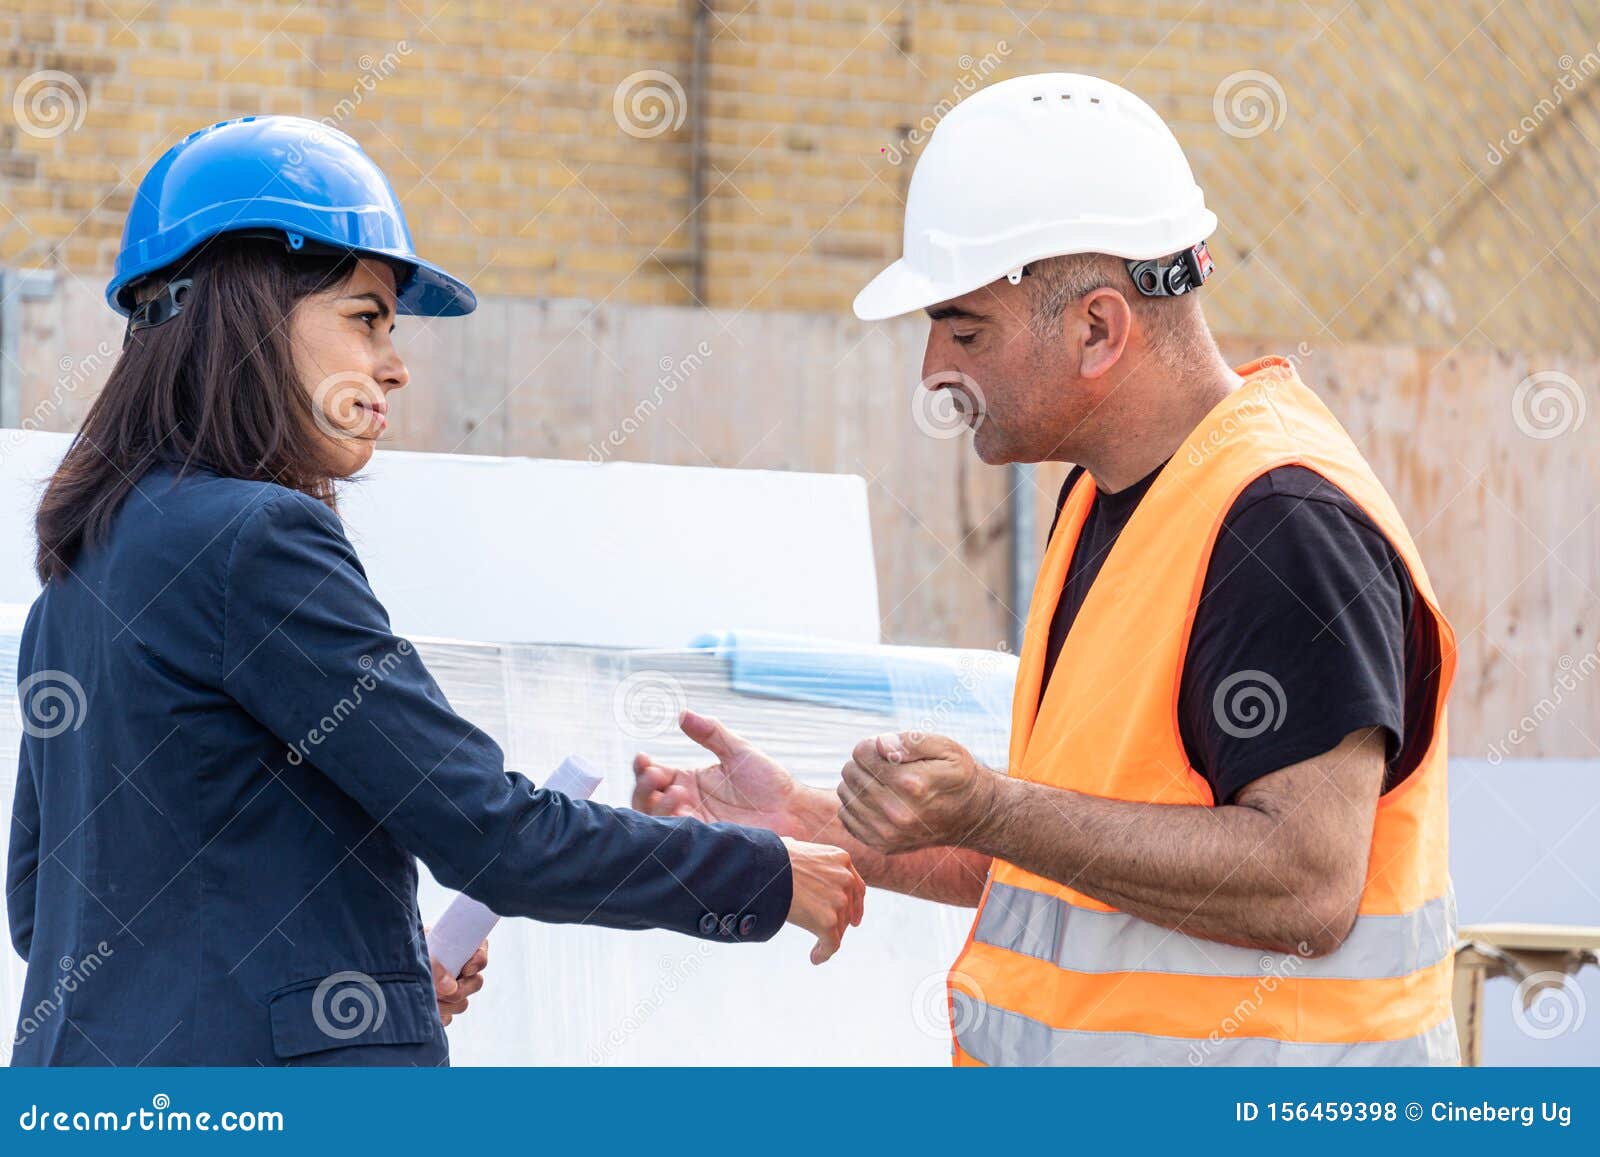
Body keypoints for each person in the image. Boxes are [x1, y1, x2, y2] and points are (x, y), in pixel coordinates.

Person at [634, 73, 1458, 1066]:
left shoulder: (1281, 525)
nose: (933, 367)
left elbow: (1305, 883)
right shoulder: (1109, 502)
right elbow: (1072, 854)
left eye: (965, 328)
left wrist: (989, 801)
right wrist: (810, 822)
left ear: (1099, 328)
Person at [5, 115, 863, 1067]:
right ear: (241, 313)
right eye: (366, 318)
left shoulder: (79, 582)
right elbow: (495, 835)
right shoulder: (255, 539)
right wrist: (767, 871)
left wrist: (352, 980)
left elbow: (46, 908)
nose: (395, 365)